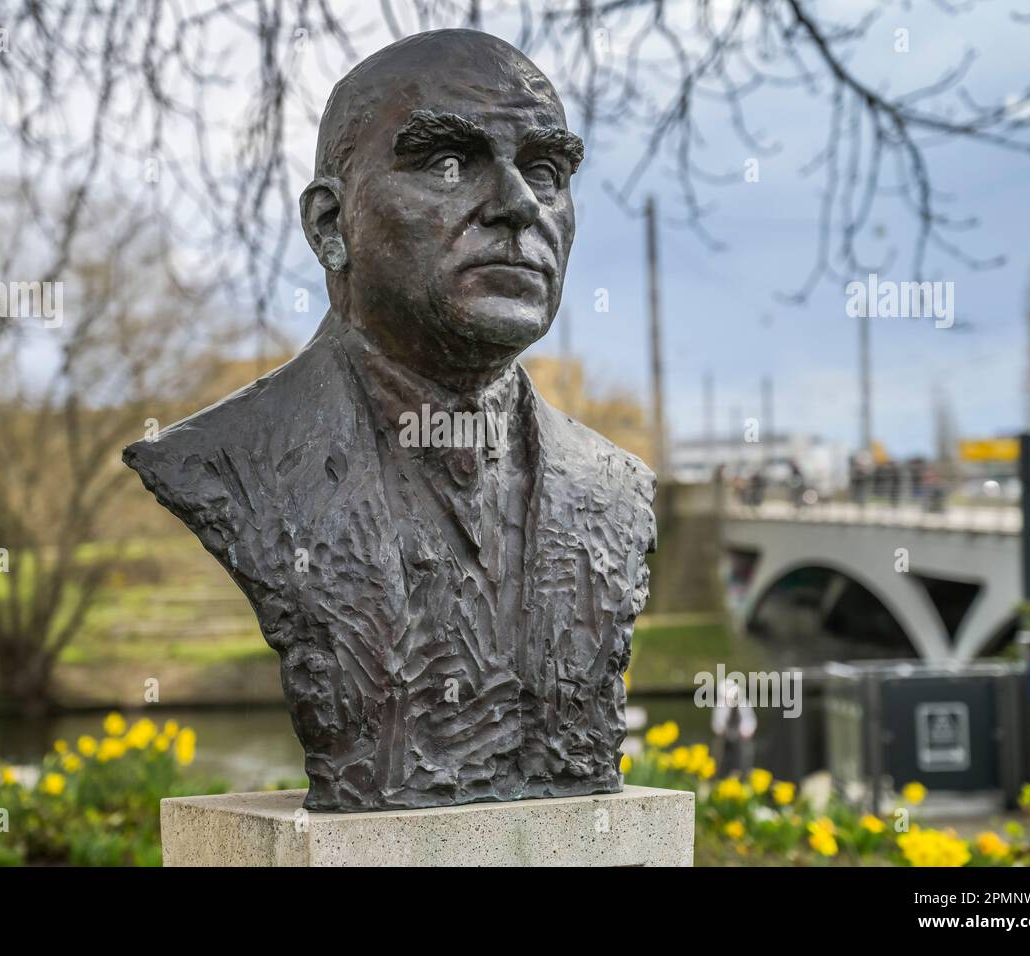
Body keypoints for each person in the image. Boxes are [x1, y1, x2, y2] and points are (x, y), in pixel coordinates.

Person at [124, 31, 657, 811]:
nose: (517, 205)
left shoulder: (615, 494)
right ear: (330, 227)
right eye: (448, 163)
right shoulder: (226, 464)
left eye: (544, 170)